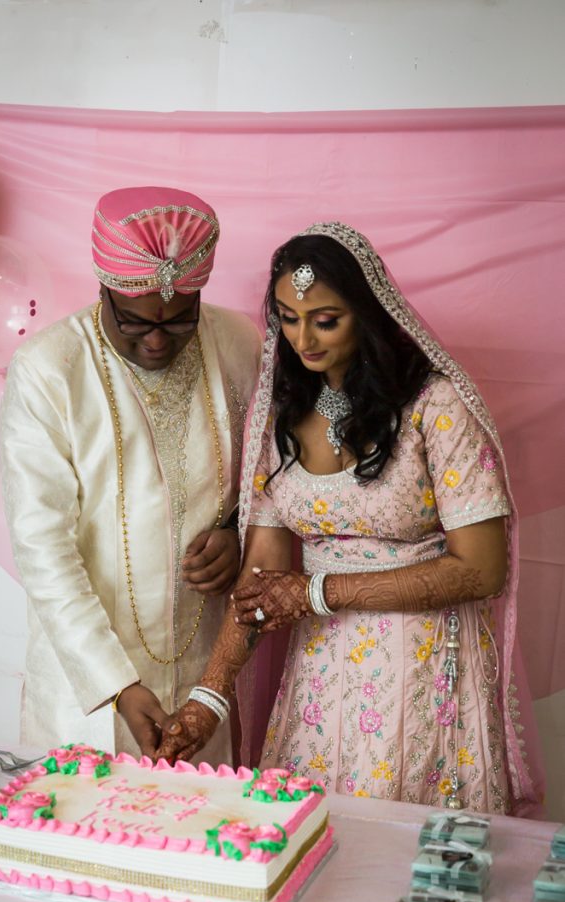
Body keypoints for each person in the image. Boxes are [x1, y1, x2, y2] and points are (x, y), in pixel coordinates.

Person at [156, 220, 542, 816]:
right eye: (286, 317)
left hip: (422, 666)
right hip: (321, 674)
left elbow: (482, 570)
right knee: (306, 845)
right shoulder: (282, 414)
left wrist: (316, 592)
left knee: (406, 856)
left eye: (325, 319)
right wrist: (208, 698)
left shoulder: (433, 406)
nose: (302, 338)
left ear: (368, 312)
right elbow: (259, 576)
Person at [0, 186, 260, 763]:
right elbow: (42, 547)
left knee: (201, 840)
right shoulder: (48, 370)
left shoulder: (239, 346)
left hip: (202, 678)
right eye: (136, 322)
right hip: (86, 685)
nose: (158, 339)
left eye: (179, 320)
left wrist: (238, 532)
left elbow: (274, 479)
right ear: (102, 290)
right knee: (85, 839)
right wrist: (114, 683)